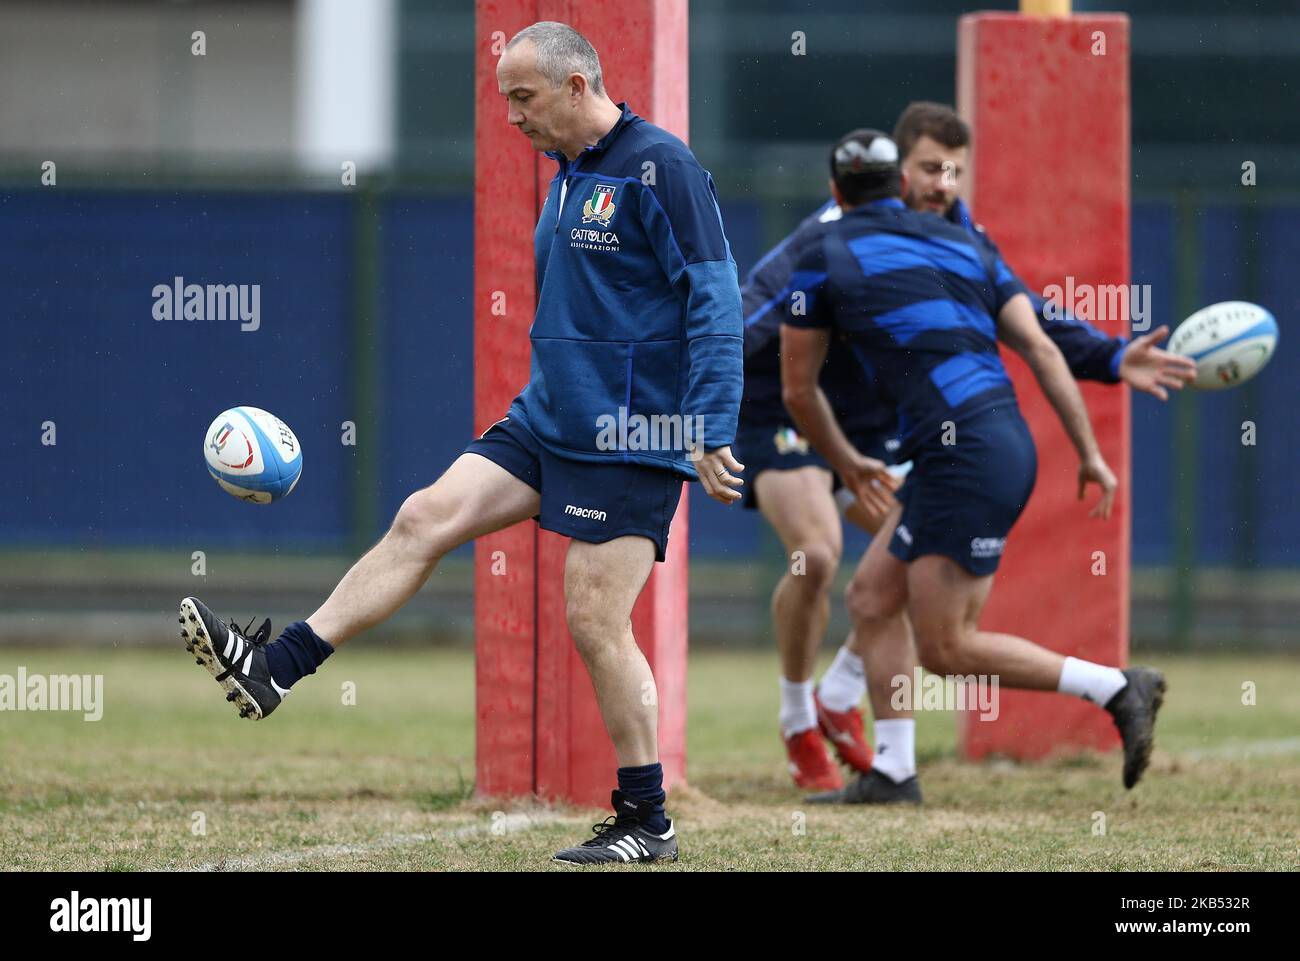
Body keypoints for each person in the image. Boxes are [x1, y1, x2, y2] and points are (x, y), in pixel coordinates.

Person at [178, 20, 744, 865]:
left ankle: (646, 818)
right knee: (422, 516)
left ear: (578, 86)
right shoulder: (567, 176)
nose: (512, 116)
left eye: (524, 96)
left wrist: (707, 420)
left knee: (593, 620)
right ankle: (277, 667)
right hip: (550, 417)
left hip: (630, 434)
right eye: (504, 98)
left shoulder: (658, 167)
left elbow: (714, 293)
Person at [736, 103, 1194, 791]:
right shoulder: (830, 241)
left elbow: (1037, 329)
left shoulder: (958, 238)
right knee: (849, 577)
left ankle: (1112, 687)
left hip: (929, 444)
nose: (943, 183)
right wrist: (693, 381)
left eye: (955, 171)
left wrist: (1108, 356)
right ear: (897, 173)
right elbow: (758, 322)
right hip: (794, 418)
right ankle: (830, 723)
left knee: (944, 643)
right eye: (929, 168)